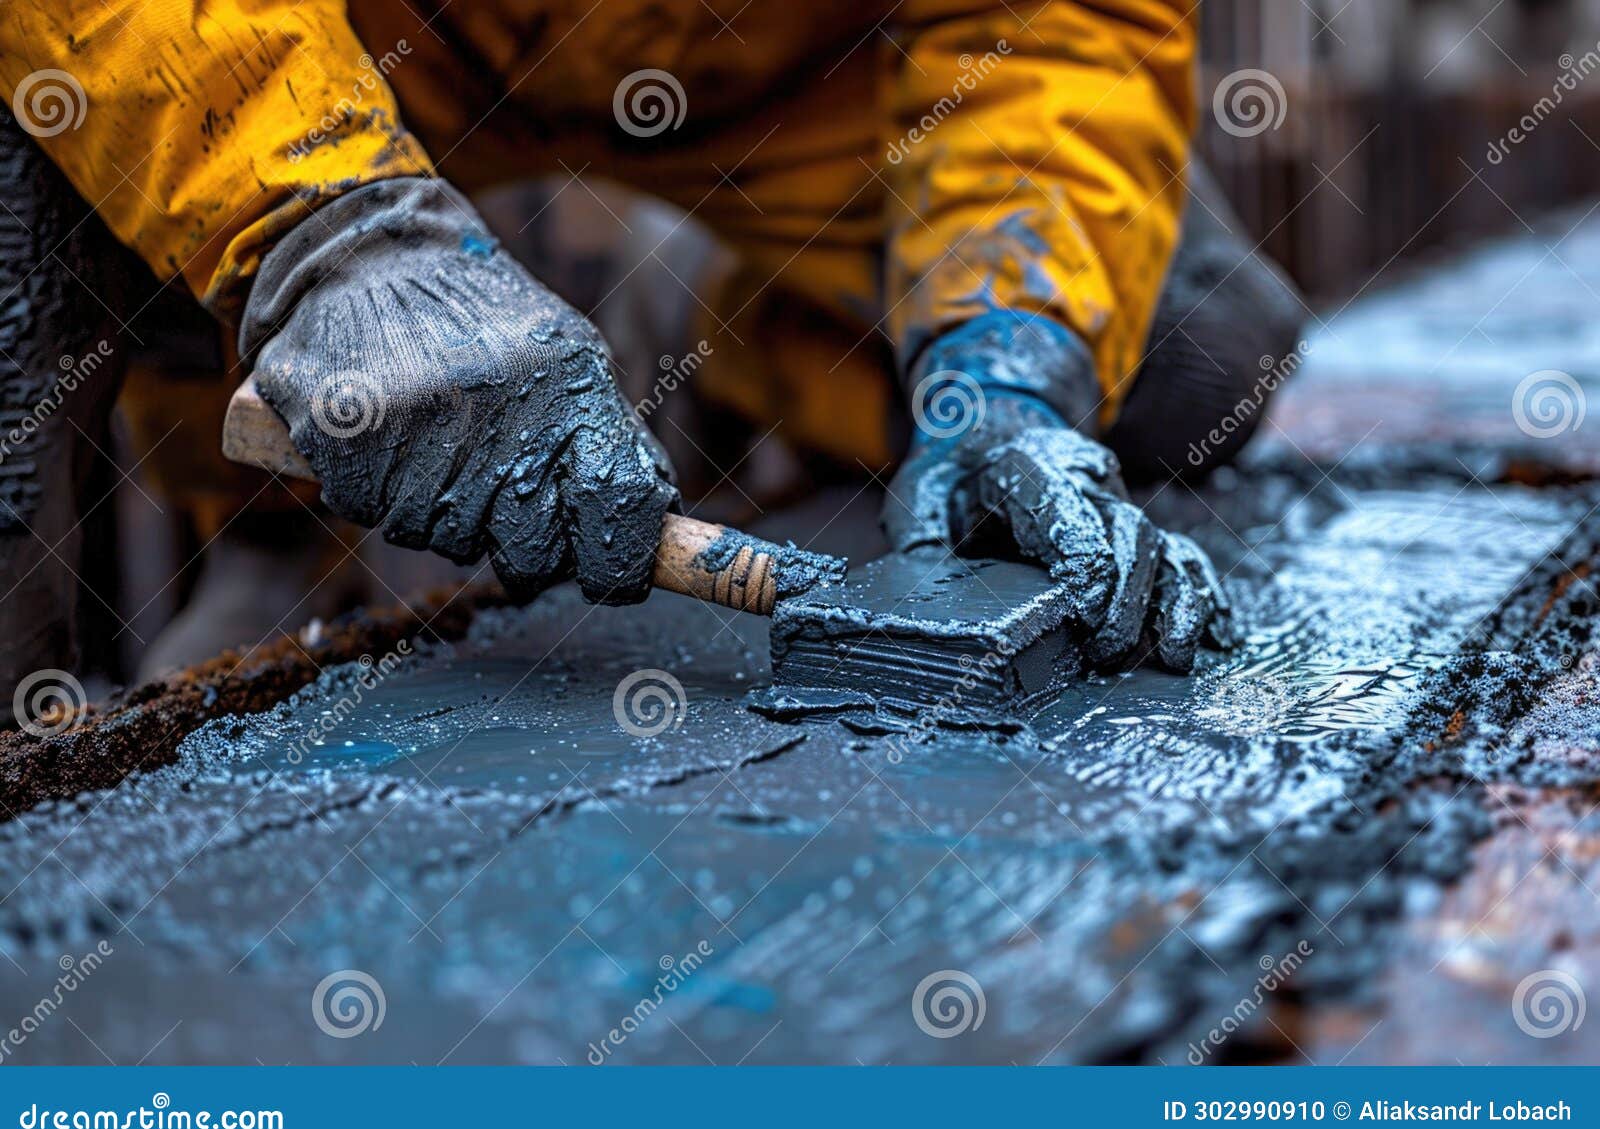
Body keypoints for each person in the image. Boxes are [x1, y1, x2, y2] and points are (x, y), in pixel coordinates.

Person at [0, 0, 1303, 702]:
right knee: (63, 153)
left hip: (792, 66)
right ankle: (271, 536)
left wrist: (1006, 376)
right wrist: (334, 234)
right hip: (365, 48)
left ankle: (737, 337)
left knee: (1191, 352)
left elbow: (1059, 26)